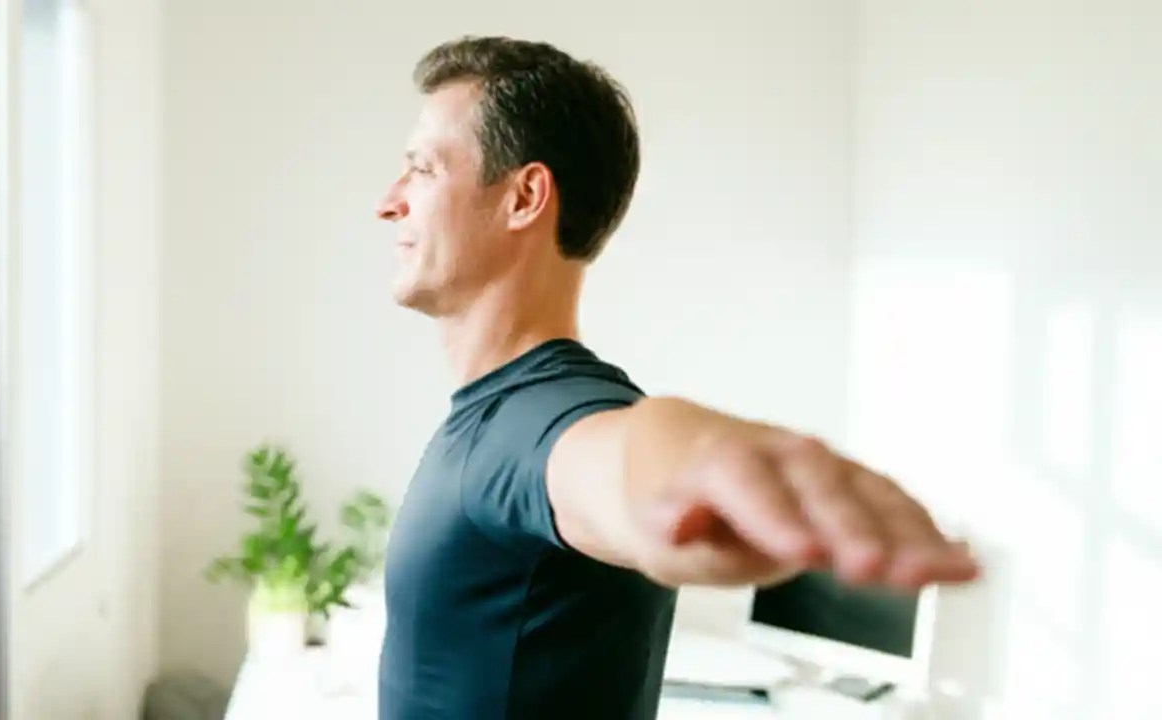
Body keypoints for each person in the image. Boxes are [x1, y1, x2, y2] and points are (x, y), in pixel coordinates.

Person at [372, 35, 979, 720]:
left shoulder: (540, 418)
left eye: (421, 170)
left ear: (524, 197)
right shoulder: (493, 413)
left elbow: (621, 458)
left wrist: (695, 460)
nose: (389, 203)